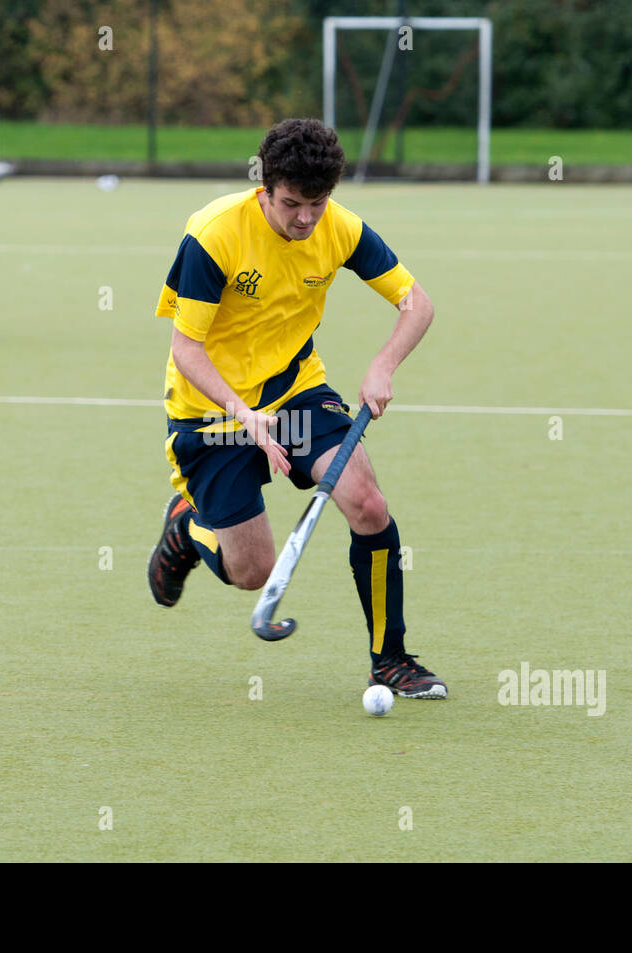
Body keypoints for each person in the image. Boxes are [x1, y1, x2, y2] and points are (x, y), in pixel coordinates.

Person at [147, 118, 447, 699]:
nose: (305, 219)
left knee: (367, 502)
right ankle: (187, 528)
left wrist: (383, 364)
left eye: (317, 202)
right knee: (251, 572)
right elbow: (186, 350)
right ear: (265, 188)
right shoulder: (213, 236)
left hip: (296, 394)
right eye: (291, 204)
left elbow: (418, 304)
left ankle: (390, 660)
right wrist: (242, 414)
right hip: (211, 416)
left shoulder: (339, 229)